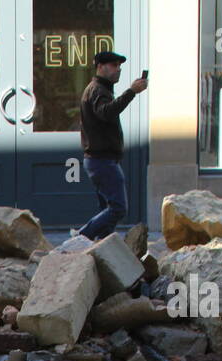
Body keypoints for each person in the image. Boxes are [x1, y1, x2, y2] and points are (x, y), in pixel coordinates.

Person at [77, 51, 147, 241]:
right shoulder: (97, 90)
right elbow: (106, 112)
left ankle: (103, 251)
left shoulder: (100, 89)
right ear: (100, 66)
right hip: (102, 161)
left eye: (119, 66)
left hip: (101, 160)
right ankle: (81, 238)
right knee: (118, 207)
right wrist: (132, 91)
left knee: (107, 213)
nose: (118, 70)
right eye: (114, 65)